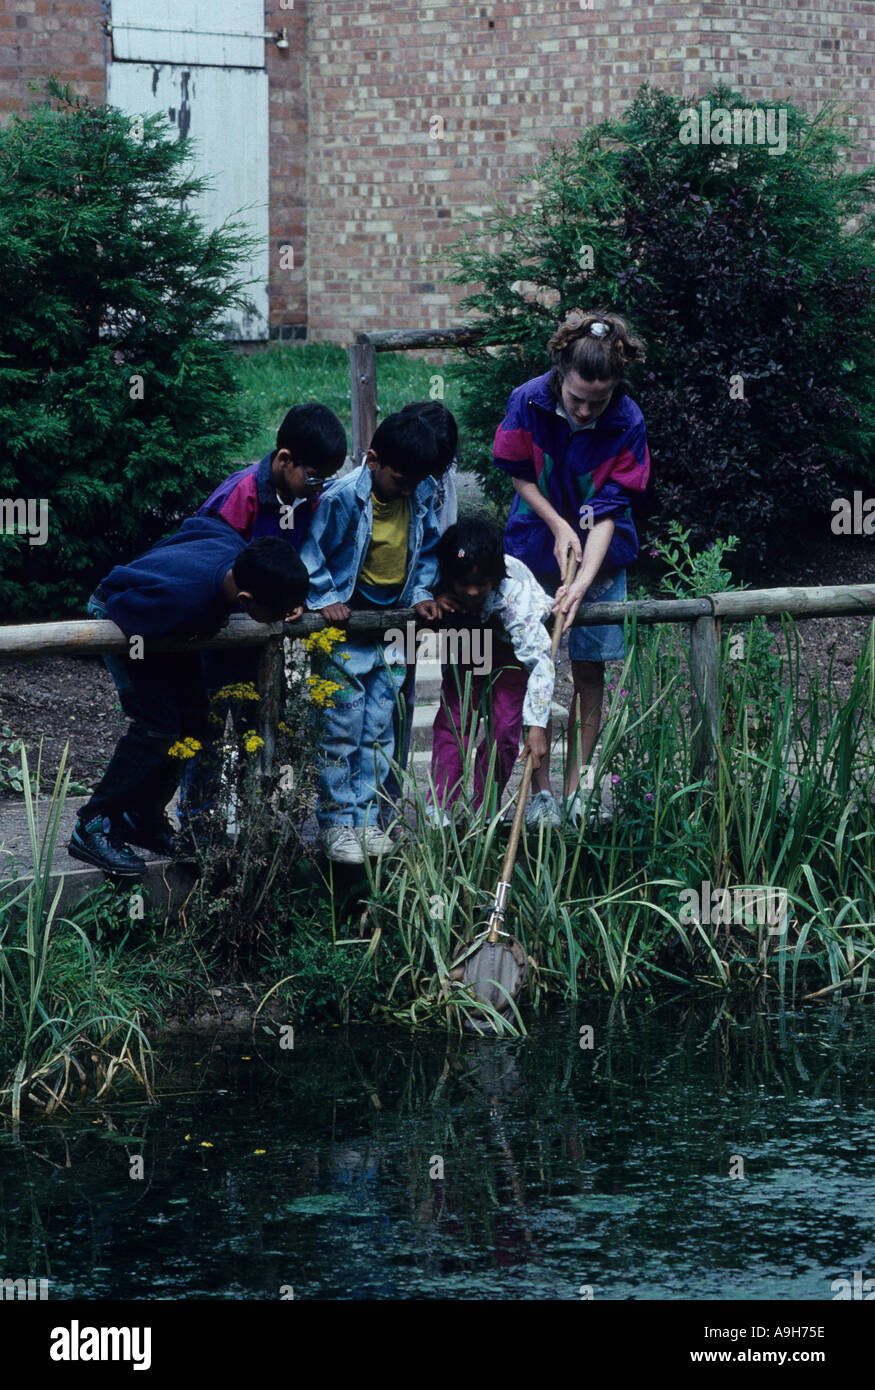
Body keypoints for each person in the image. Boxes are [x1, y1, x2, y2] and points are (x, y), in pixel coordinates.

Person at [68, 521, 308, 877]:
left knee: (197, 722)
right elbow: (125, 611)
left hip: (168, 619)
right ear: (245, 601)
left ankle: (143, 818)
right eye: (276, 613)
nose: (280, 619)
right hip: (126, 616)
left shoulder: (235, 553)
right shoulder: (185, 602)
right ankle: (92, 825)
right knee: (157, 726)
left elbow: (201, 525)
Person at [492, 309, 650, 825]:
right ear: (560, 374)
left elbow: (608, 508)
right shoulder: (527, 400)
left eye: (597, 402)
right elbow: (519, 476)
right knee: (538, 663)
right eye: (577, 398)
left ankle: (578, 790)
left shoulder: (627, 420)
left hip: (602, 556)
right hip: (535, 545)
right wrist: (560, 526)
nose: (585, 411)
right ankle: (540, 796)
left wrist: (582, 584)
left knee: (588, 670)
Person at [179, 403, 347, 825]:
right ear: (285, 459)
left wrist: (295, 599)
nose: (318, 488)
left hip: (265, 628)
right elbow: (211, 562)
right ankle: (199, 821)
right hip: (222, 627)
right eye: (313, 476)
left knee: (265, 722)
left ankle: (258, 815)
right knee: (210, 726)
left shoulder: (306, 498)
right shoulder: (240, 497)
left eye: (325, 480)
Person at [299, 412, 442, 864]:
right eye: (400, 480)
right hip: (347, 631)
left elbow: (429, 551)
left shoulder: (421, 494)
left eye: (415, 482)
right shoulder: (342, 499)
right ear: (373, 460)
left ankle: (367, 819)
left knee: (380, 731)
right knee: (341, 729)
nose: (407, 490)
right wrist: (325, 596)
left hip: (392, 629)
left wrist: (420, 593)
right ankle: (339, 823)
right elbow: (309, 549)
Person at [428, 518, 555, 821]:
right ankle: (441, 809)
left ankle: (485, 808)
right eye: (463, 585)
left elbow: (540, 663)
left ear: (495, 578)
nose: (471, 592)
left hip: (513, 648)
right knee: (454, 718)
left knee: (504, 726)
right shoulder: (442, 569)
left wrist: (536, 728)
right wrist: (435, 596)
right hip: (470, 637)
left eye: (480, 584)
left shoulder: (515, 596)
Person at [379, 400, 460, 819]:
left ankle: (388, 805)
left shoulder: (440, 481)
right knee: (367, 708)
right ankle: (356, 812)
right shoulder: (386, 476)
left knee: (402, 701)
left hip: (417, 602)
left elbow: (440, 536)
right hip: (373, 605)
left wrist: (433, 591)